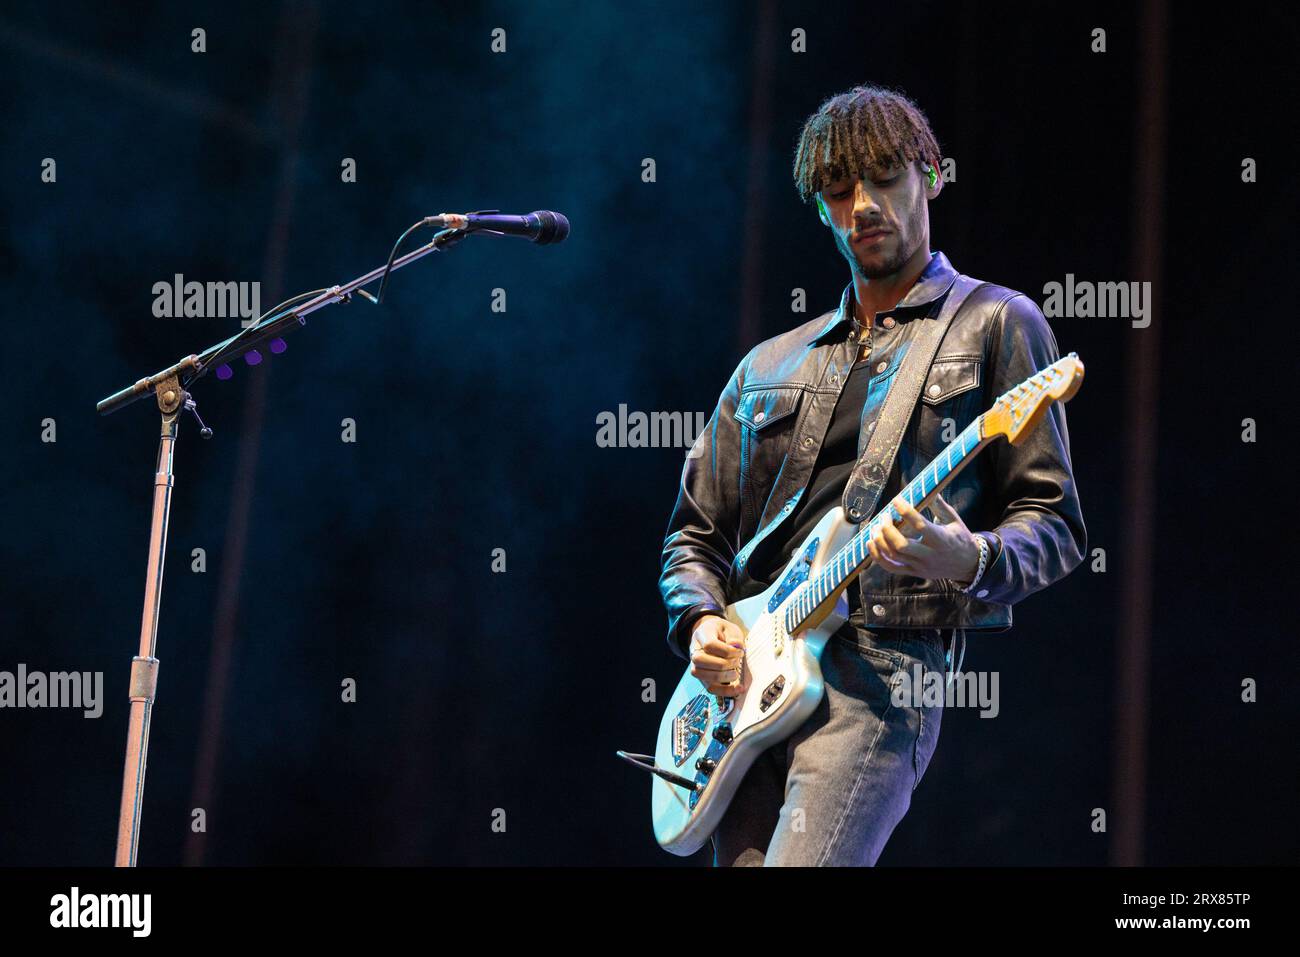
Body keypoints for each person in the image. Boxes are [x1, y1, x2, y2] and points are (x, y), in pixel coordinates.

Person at [658, 84, 1086, 866]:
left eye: (884, 177)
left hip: (883, 678)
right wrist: (701, 624)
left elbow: (1054, 524)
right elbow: (694, 534)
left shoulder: (999, 322)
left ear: (931, 173)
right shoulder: (768, 364)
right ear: (819, 209)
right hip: (748, 682)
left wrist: (970, 558)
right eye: (839, 190)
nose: (863, 205)